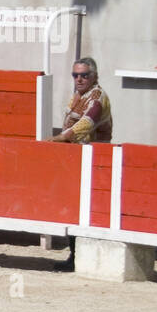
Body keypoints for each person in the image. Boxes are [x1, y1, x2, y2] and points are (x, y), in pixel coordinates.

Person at [49, 58, 113, 270]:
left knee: (84, 207)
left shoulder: (96, 97)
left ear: (94, 76)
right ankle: (75, 255)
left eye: (84, 75)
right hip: (79, 158)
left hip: (95, 159)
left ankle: (79, 258)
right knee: (75, 206)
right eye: (75, 75)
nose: (79, 79)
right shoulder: (79, 96)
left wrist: (61, 137)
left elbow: (87, 123)